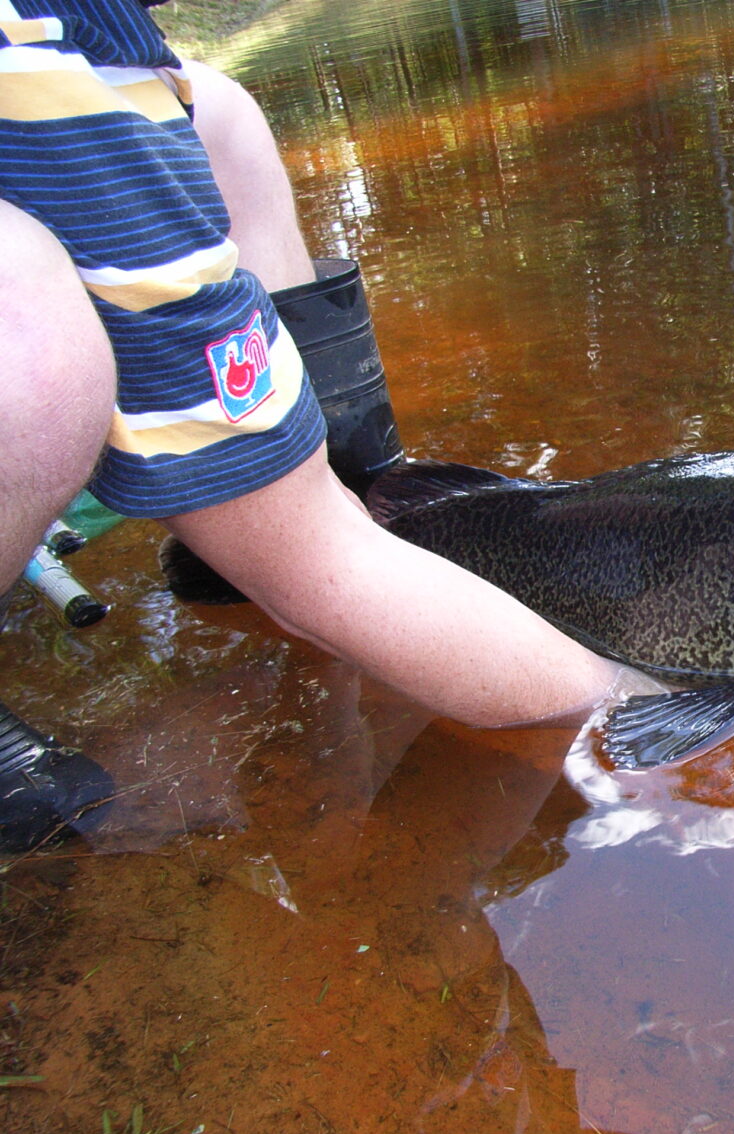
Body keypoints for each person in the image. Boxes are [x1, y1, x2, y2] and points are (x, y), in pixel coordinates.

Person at [0, 0, 622, 852]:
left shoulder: (85, 62)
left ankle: (341, 503)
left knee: (223, 123)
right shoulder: (71, 132)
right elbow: (316, 562)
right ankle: (274, 535)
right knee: (30, 349)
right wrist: (626, 710)